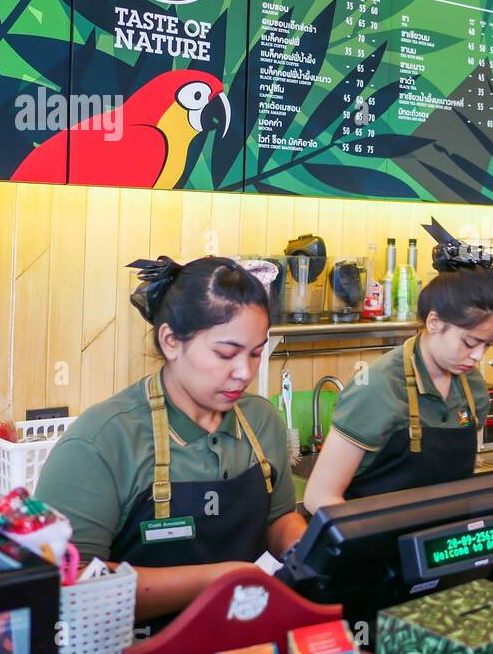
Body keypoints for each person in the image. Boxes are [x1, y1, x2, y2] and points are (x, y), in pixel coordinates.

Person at [36, 256, 306, 625]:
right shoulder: (101, 441)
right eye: (225, 353)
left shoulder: (261, 421)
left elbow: (279, 519)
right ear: (171, 341)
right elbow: (68, 584)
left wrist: (309, 551)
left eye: (256, 353)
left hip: (240, 645)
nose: (245, 372)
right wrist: (218, 580)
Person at [302, 220, 493, 510]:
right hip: (372, 550)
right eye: (470, 343)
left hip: (438, 546)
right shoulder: (376, 388)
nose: (478, 357)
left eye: (489, 345)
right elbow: (319, 498)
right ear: (434, 322)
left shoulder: (472, 389)